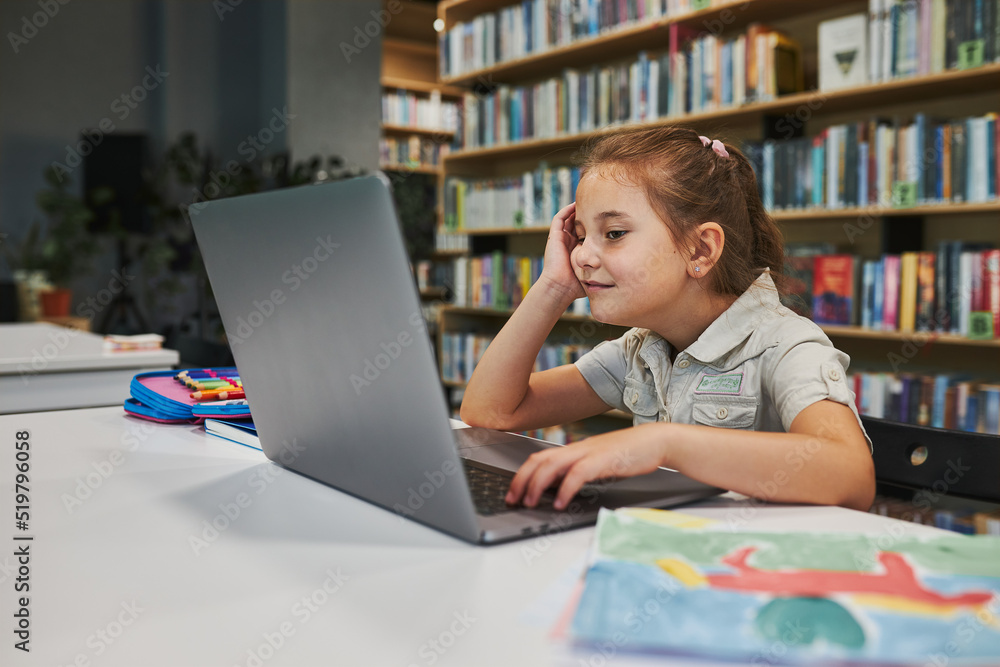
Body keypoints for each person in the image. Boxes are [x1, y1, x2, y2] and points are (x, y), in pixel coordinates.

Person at [459, 125, 875, 513]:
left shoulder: (785, 344)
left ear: (700, 250)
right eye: (581, 235)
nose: (581, 255)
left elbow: (852, 475)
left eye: (614, 234)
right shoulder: (641, 350)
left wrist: (664, 443)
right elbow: (491, 412)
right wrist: (553, 286)